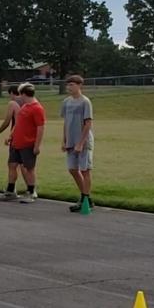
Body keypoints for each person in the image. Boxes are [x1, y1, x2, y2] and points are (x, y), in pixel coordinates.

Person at [4, 82, 44, 204]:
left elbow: (40, 128)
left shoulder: (37, 108)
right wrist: (11, 136)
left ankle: (31, 192)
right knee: (12, 165)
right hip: (17, 143)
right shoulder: (25, 107)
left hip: (28, 143)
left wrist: (37, 146)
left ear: (24, 94)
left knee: (29, 168)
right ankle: (10, 191)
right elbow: (18, 124)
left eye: (20, 95)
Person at [61, 74, 94, 212]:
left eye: (72, 85)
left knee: (85, 170)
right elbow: (66, 122)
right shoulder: (66, 102)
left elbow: (88, 124)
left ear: (80, 85)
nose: (69, 87)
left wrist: (80, 142)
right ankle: (86, 197)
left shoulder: (85, 102)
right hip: (71, 140)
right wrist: (64, 140)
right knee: (72, 169)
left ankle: (85, 199)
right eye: (68, 85)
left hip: (83, 141)